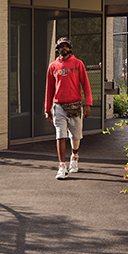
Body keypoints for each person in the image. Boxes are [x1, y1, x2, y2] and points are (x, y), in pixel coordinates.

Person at [45, 36, 92, 179]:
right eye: (60, 46)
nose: (63, 48)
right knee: (60, 135)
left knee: (75, 136)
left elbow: (86, 85)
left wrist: (88, 104)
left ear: (70, 48)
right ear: (57, 49)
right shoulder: (53, 66)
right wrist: (47, 109)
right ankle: (62, 166)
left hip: (75, 106)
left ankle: (75, 156)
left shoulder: (78, 64)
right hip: (58, 106)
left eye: (65, 46)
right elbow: (49, 89)